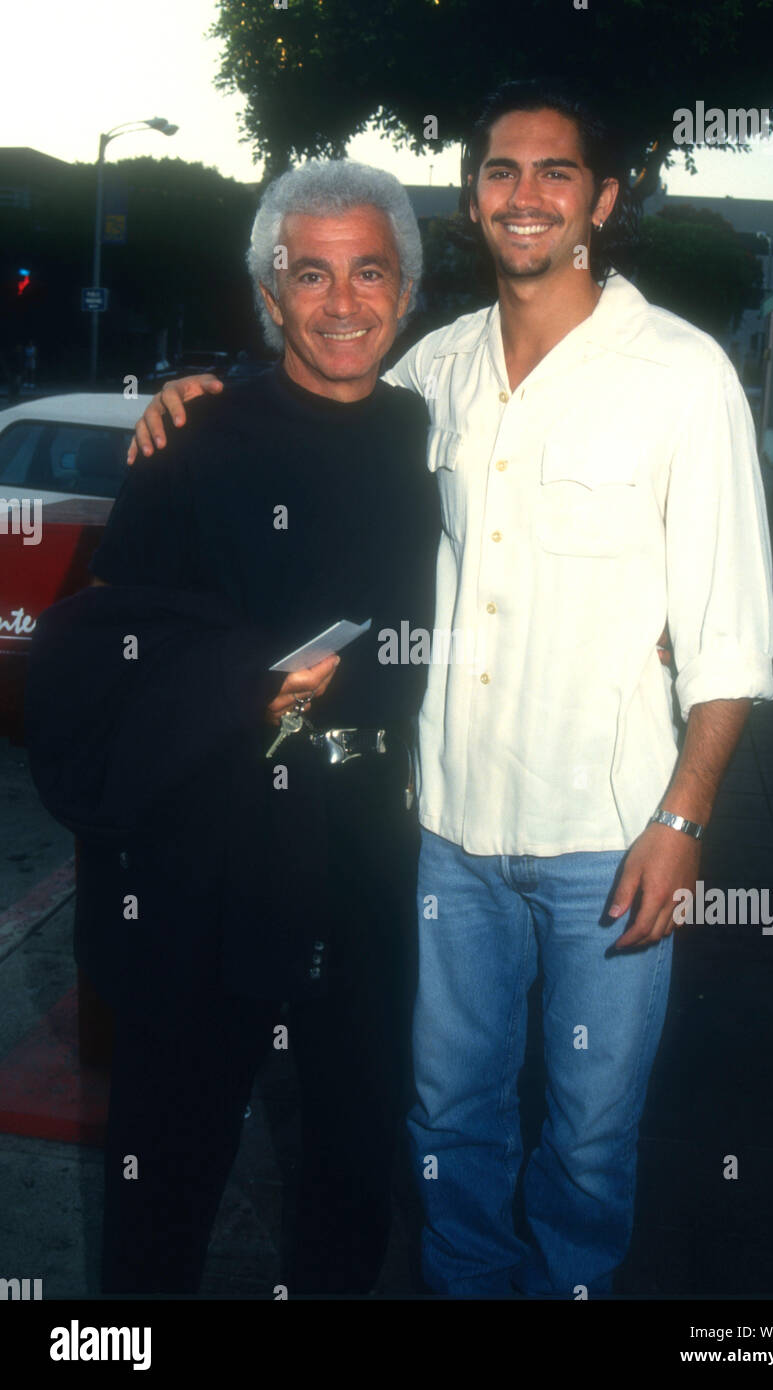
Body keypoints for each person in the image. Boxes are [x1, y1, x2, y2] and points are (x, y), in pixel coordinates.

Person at [128, 79, 773, 1298]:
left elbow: (731, 638)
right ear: (473, 198)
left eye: (554, 173)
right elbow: (321, 401)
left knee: (587, 1133)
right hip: (443, 831)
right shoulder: (437, 369)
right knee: (446, 1120)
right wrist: (197, 394)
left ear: (601, 199)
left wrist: (682, 823)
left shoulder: (683, 380)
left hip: (609, 832)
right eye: (499, 172)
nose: (524, 196)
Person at [27, 159, 439, 1296]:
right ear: (270, 294)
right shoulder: (193, 441)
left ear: (406, 290)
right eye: (312, 274)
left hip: (368, 846)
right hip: (210, 849)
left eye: (370, 271)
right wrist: (244, 684)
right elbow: (111, 657)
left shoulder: (429, 435)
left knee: (356, 1157)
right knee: (170, 1166)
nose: (344, 301)